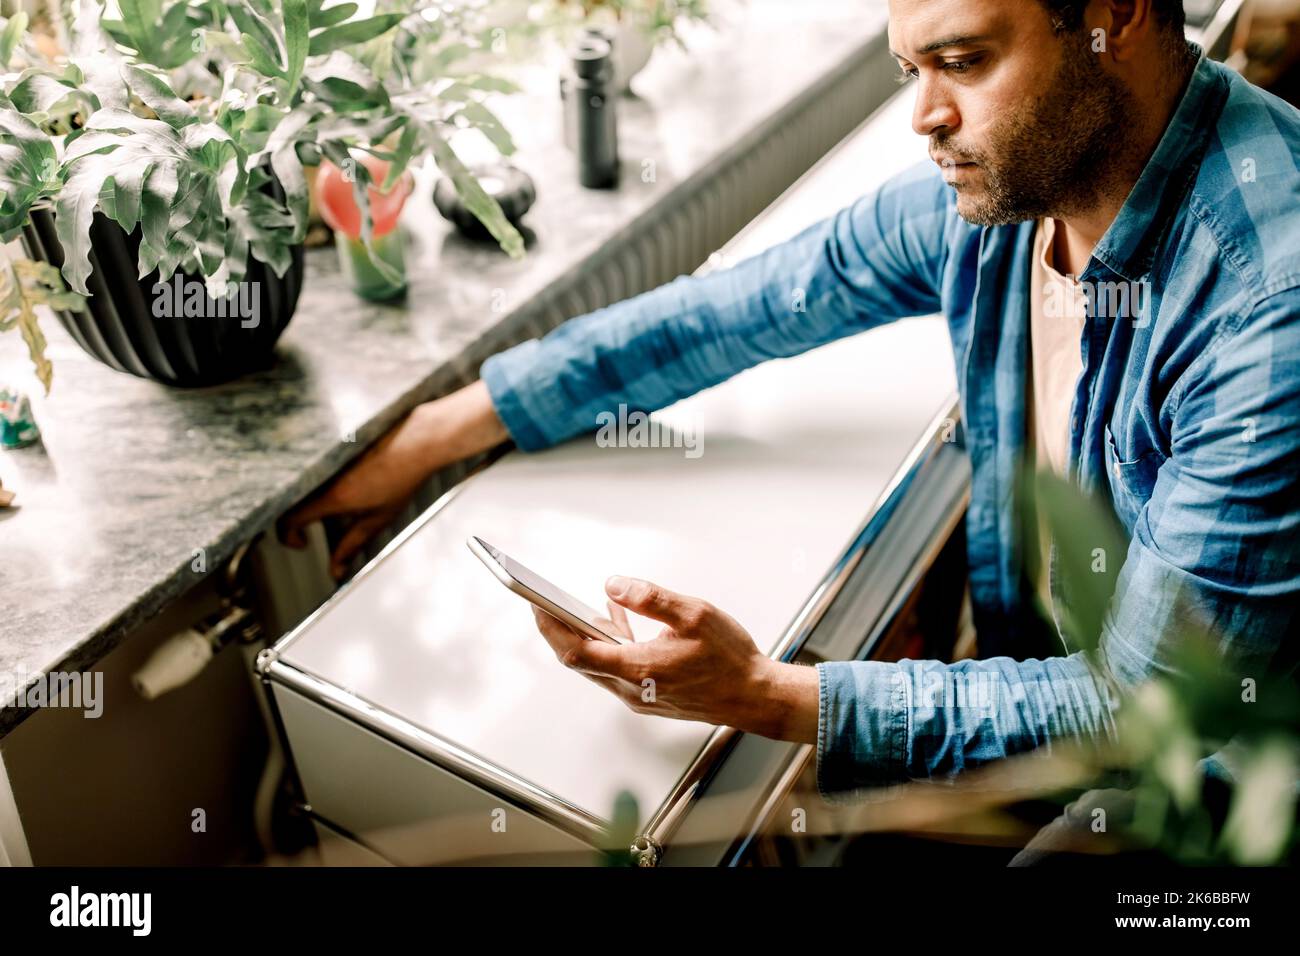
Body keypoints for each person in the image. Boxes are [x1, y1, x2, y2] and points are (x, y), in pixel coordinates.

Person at [284, 0, 1299, 829]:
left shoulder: (1267, 307)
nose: (923, 117)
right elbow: (741, 306)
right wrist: (437, 436)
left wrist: (768, 696)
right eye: (912, 71)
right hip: (1041, 669)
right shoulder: (1025, 190)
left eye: (962, 60)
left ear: (1112, 17)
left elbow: (1144, 703)